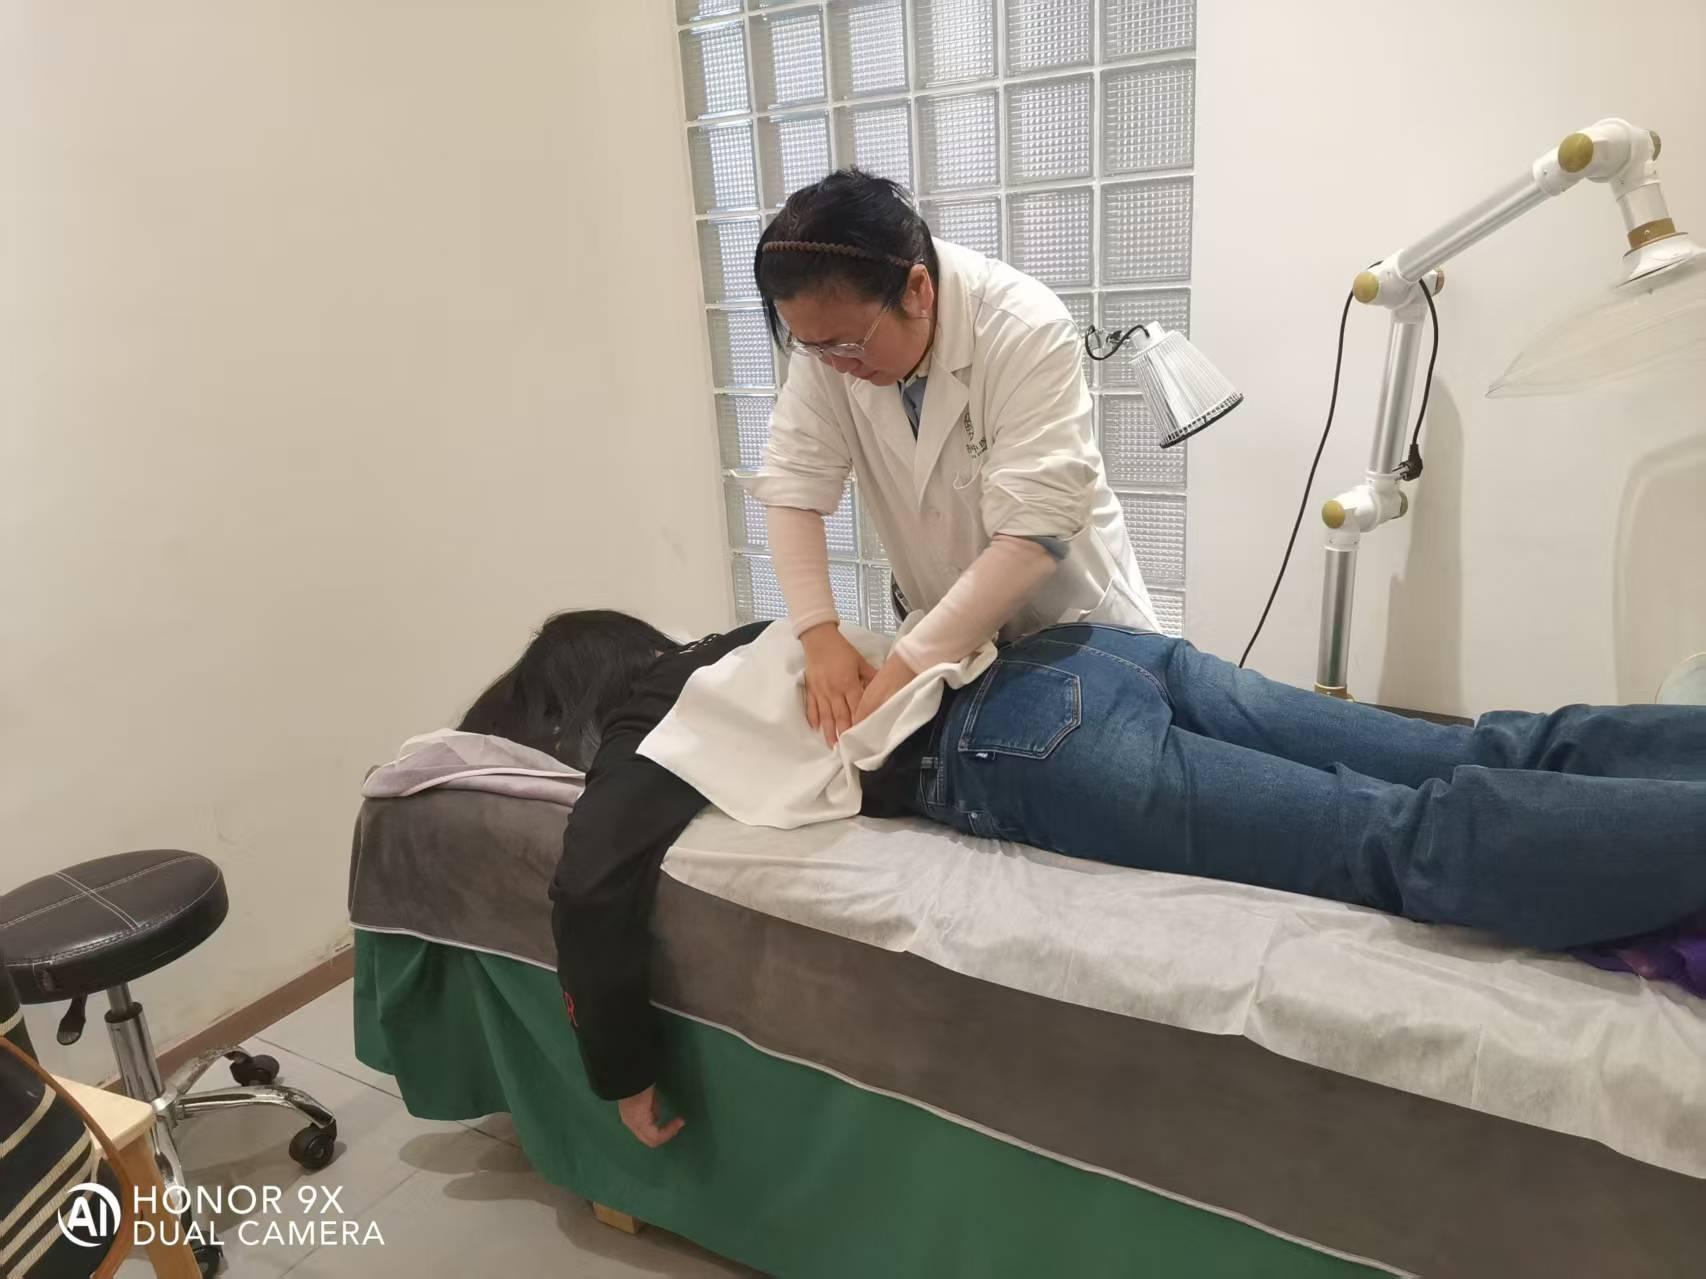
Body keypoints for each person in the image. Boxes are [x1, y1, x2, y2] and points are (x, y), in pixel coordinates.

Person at [501, 611, 1706, 1148]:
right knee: (1469, 748)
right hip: (1097, 652)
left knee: (1391, 842)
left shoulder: (646, 722)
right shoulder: (745, 636)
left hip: (1027, 743)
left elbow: (589, 882)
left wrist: (622, 1072)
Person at [751, 169, 1158, 747]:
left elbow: (1034, 534)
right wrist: (818, 634)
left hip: (1075, 631)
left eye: (847, 344)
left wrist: (906, 666)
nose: (836, 365)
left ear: (917, 290)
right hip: (954, 651)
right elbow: (793, 486)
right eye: (812, 347)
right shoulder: (829, 346)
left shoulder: (1024, 327)